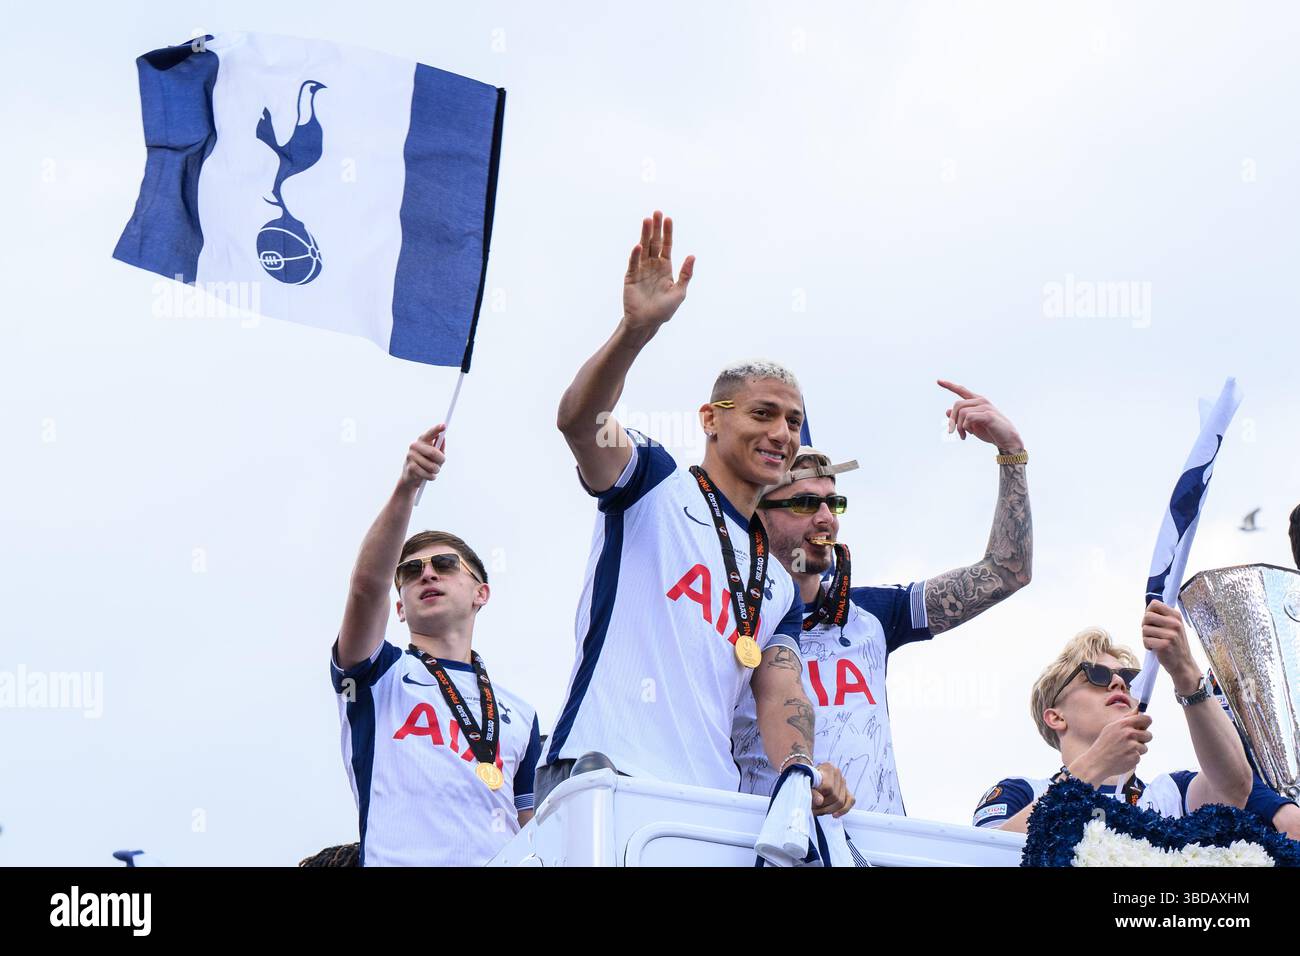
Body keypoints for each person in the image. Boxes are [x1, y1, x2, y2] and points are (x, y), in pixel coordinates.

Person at [542, 211, 850, 817]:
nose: (782, 434)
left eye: (792, 420)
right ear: (711, 418)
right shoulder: (654, 481)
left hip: (707, 800)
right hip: (605, 768)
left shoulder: (779, 583)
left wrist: (798, 770)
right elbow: (578, 422)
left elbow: (780, 687)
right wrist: (634, 331)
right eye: (762, 414)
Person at [734, 384, 1032, 811]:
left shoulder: (871, 613)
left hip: (875, 850)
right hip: (763, 847)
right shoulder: (725, 616)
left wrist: (1012, 453)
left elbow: (1007, 571)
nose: (825, 519)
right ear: (757, 515)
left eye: (833, 503)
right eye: (803, 503)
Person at [332, 425, 542, 865]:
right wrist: (408, 486)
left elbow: (535, 835)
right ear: (401, 609)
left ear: (480, 593)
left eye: (444, 565)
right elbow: (366, 588)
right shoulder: (378, 676)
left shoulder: (521, 714)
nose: (426, 574)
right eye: (410, 571)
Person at [972, 602, 1252, 831]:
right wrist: (1096, 765)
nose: (1118, 682)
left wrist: (1186, 673)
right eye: (1097, 675)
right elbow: (984, 859)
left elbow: (1234, 789)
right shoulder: (1021, 794)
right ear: (1055, 717)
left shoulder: (1172, 793)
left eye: (1128, 678)